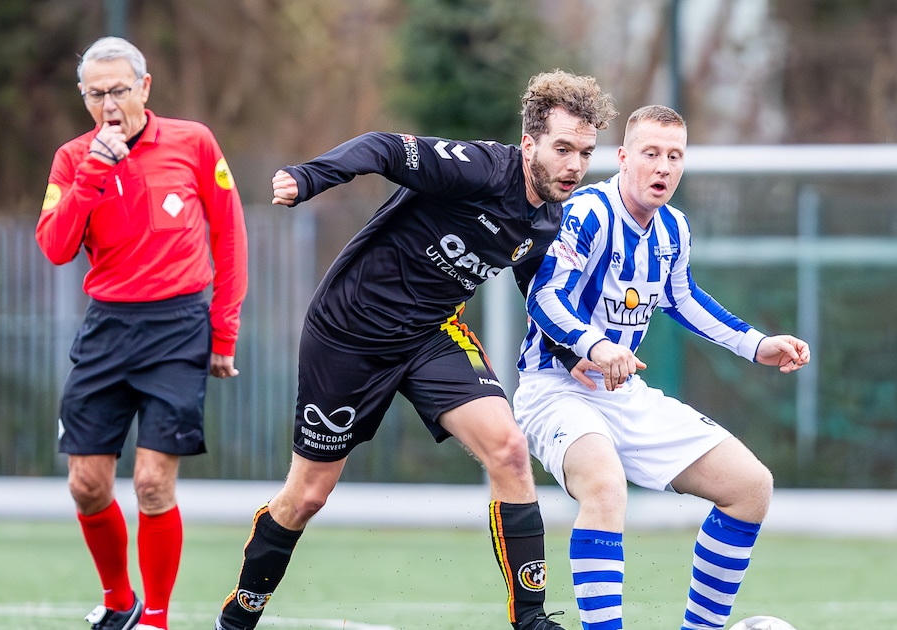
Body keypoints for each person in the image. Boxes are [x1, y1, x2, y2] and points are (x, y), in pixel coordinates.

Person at [214, 70, 617, 630]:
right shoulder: (479, 168)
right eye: (563, 149)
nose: (574, 165)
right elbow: (383, 147)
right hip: (348, 333)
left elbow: (534, 286)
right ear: (529, 144)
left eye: (585, 153)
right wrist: (309, 178)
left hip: (431, 335)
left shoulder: (550, 216)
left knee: (509, 450)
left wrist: (571, 353)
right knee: (307, 496)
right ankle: (239, 615)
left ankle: (530, 621)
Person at [514, 105, 811, 630]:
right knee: (605, 488)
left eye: (675, 156)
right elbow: (544, 296)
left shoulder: (674, 228)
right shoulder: (588, 212)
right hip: (554, 389)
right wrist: (593, 346)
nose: (663, 167)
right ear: (624, 157)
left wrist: (757, 344)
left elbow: (683, 298)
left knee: (750, 487)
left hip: (624, 393)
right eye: (651, 153)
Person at [35, 36, 249, 630]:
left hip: (178, 330)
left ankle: (155, 619)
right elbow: (55, 247)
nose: (108, 105)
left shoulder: (194, 142)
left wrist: (224, 333)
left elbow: (230, 238)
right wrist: (93, 173)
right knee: (86, 484)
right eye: (95, 94)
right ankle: (118, 601)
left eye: (119, 91)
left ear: (144, 88)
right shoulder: (72, 158)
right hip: (107, 328)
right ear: (83, 97)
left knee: (153, 483)